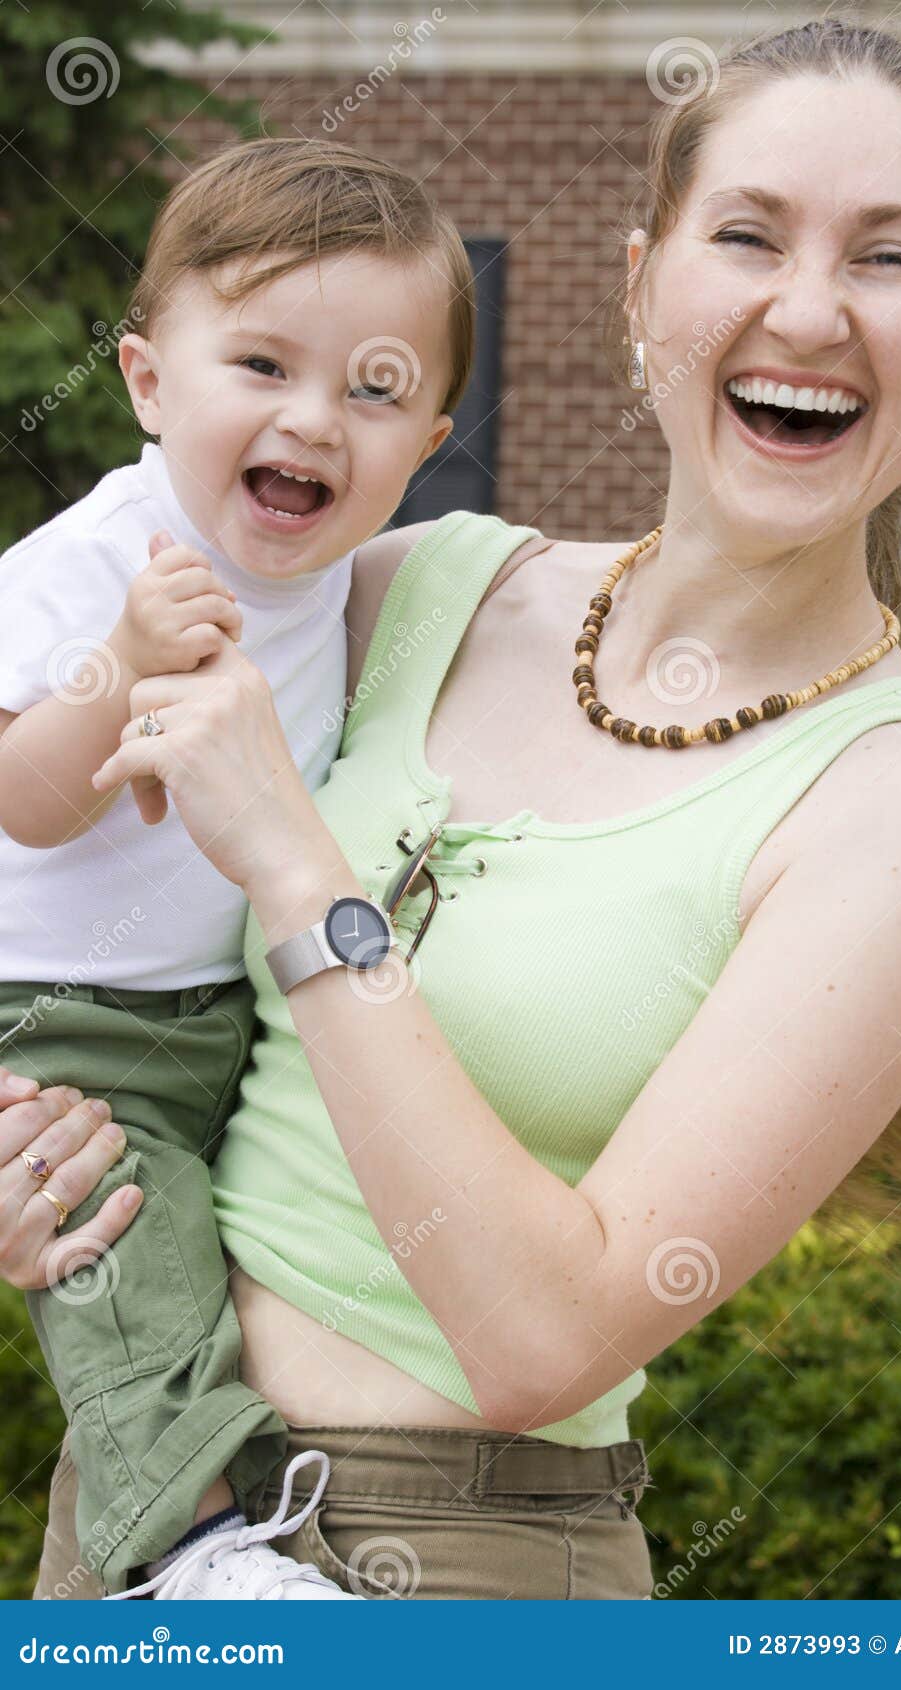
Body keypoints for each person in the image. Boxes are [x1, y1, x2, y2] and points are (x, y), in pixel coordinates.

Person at [4, 14, 901, 1602]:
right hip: (147, 1497)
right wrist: (45, 1156)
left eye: (890, 257)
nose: (807, 307)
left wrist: (300, 863)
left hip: (466, 1556)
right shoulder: (403, 588)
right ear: (641, 288)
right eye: (750, 235)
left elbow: (544, 1335)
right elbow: (75, 856)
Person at [0, 136, 464, 1598]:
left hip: (230, 1017)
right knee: (121, 1248)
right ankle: (196, 1542)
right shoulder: (94, 562)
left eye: (376, 389)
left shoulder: (343, 581)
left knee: (200, 1255)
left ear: (432, 437)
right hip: (63, 1013)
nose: (316, 421)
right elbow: (21, 797)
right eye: (260, 365)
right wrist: (120, 670)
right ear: (147, 382)